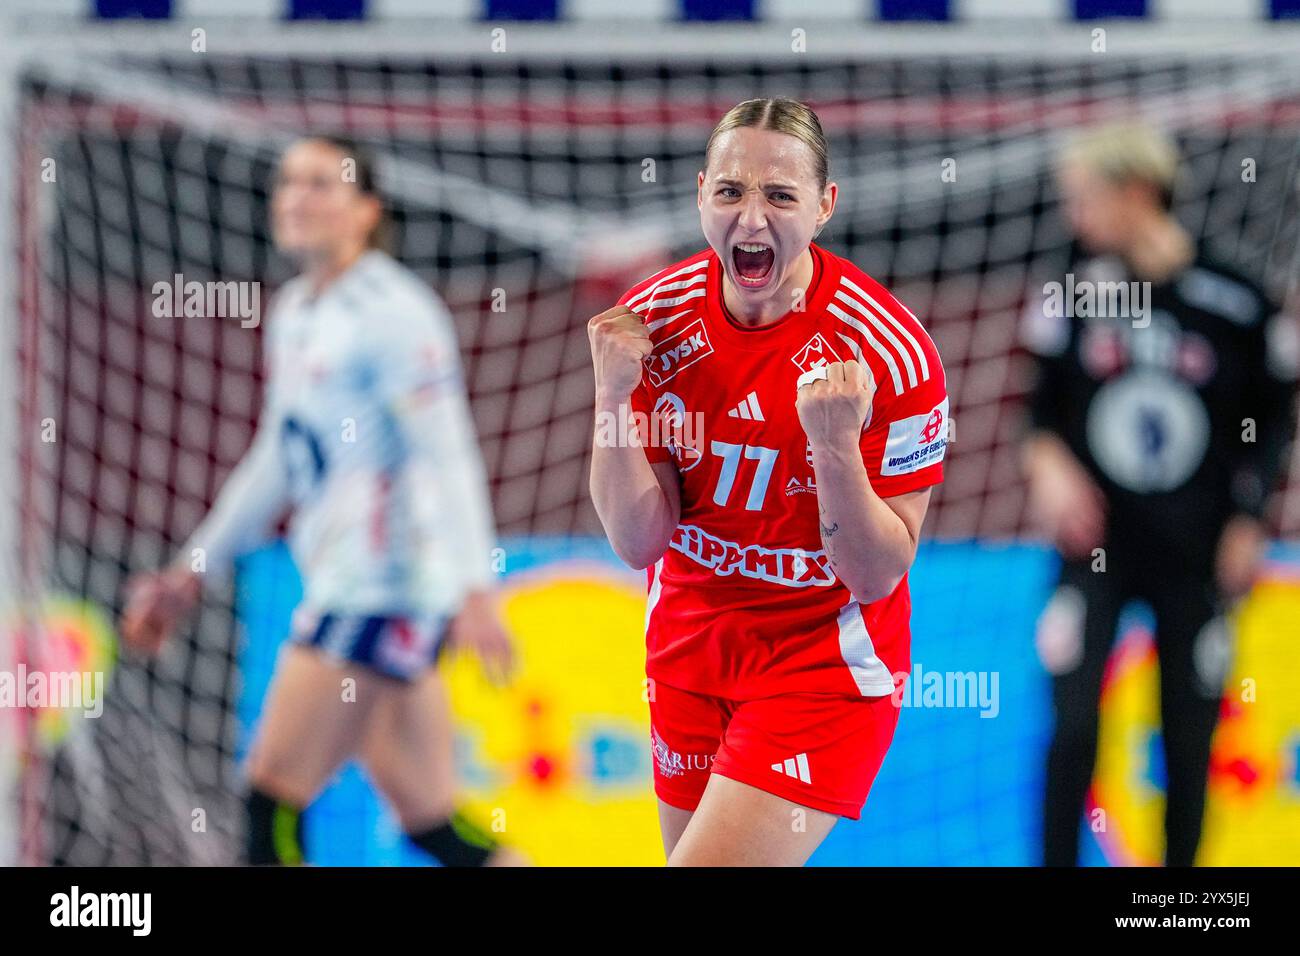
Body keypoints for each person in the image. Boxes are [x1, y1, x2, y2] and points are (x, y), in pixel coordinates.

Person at [121, 135, 523, 867]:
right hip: (362, 590)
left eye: (320, 183)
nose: (297, 197)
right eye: (287, 183)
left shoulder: (396, 313)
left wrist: (475, 588)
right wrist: (192, 571)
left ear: (366, 210)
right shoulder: (297, 311)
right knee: (436, 824)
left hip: (377, 592)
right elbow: (273, 460)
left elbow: (448, 452)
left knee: (271, 800)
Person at [588, 97, 949, 866]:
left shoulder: (891, 352)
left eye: (780, 196)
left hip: (822, 663)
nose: (751, 219)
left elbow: (877, 570)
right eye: (731, 192)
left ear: (824, 207)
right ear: (699, 197)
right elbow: (637, 539)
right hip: (690, 650)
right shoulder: (653, 322)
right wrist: (612, 398)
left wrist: (834, 449)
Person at [1023, 121, 1298, 866]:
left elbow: (1274, 419)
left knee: (1187, 732)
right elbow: (1039, 409)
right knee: (1073, 722)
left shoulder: (1235, 300)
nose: (1074, 217)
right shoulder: (1074, 291)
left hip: (1198, 551)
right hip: (1096, 547)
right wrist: (1047, 463)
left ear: (1137, 190)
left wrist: (1249, 519)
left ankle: (1178, 906)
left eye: (1084, 198)